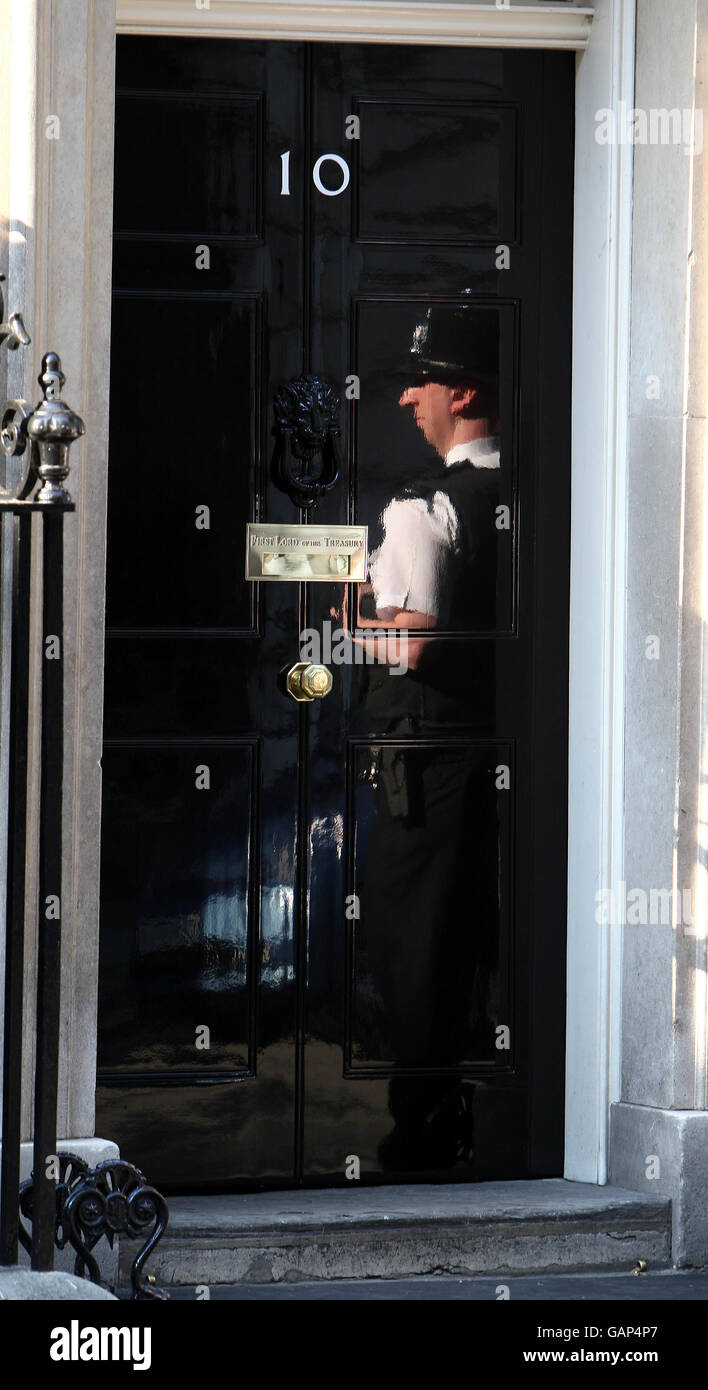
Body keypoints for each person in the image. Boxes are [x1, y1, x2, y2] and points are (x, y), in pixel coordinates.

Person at [350, 305, 504, 1175]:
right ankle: (468, 1114)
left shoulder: (423, 504)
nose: (409, 397)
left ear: (464, 391)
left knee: (414, 947)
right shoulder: (536, 493)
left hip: (425, 763)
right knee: (469, 940)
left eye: (424, 379)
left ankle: (423, 1135)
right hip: (495, 761)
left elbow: (411, 644)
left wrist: (343, 619)